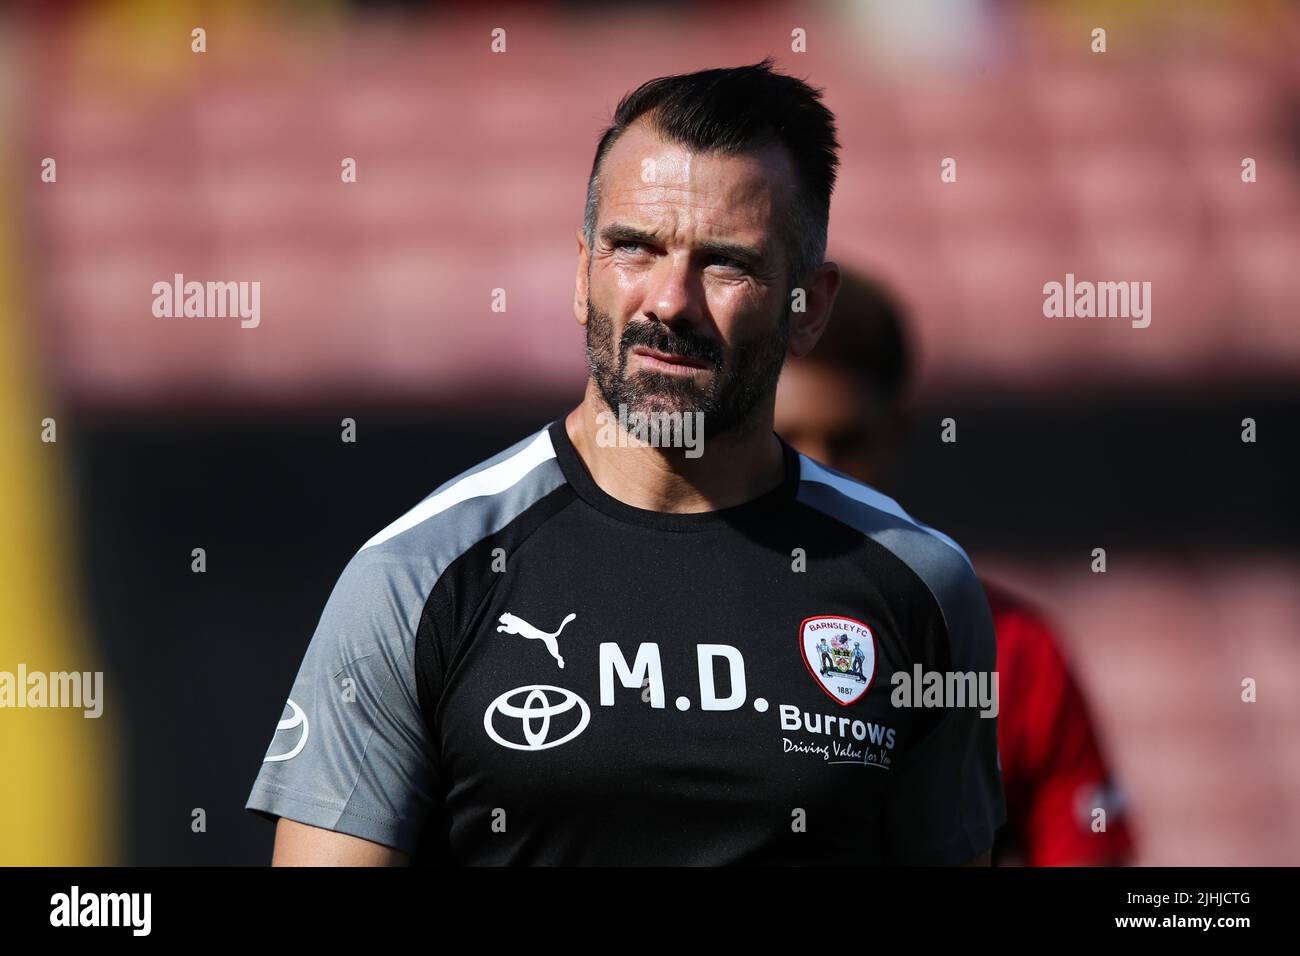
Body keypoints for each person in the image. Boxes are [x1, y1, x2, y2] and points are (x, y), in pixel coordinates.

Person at [246, 60, 1003, 865]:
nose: (670, 300)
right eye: (634, 249)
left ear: (807, 306)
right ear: (581, 274)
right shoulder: (415, 573)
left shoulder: (921, 586)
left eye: (726, 263)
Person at [775, 270, 1134, 865]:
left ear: (895, 435)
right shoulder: (674, 626)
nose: (823, 475)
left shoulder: (1014, 652)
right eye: (786, 442)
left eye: (848, 441)